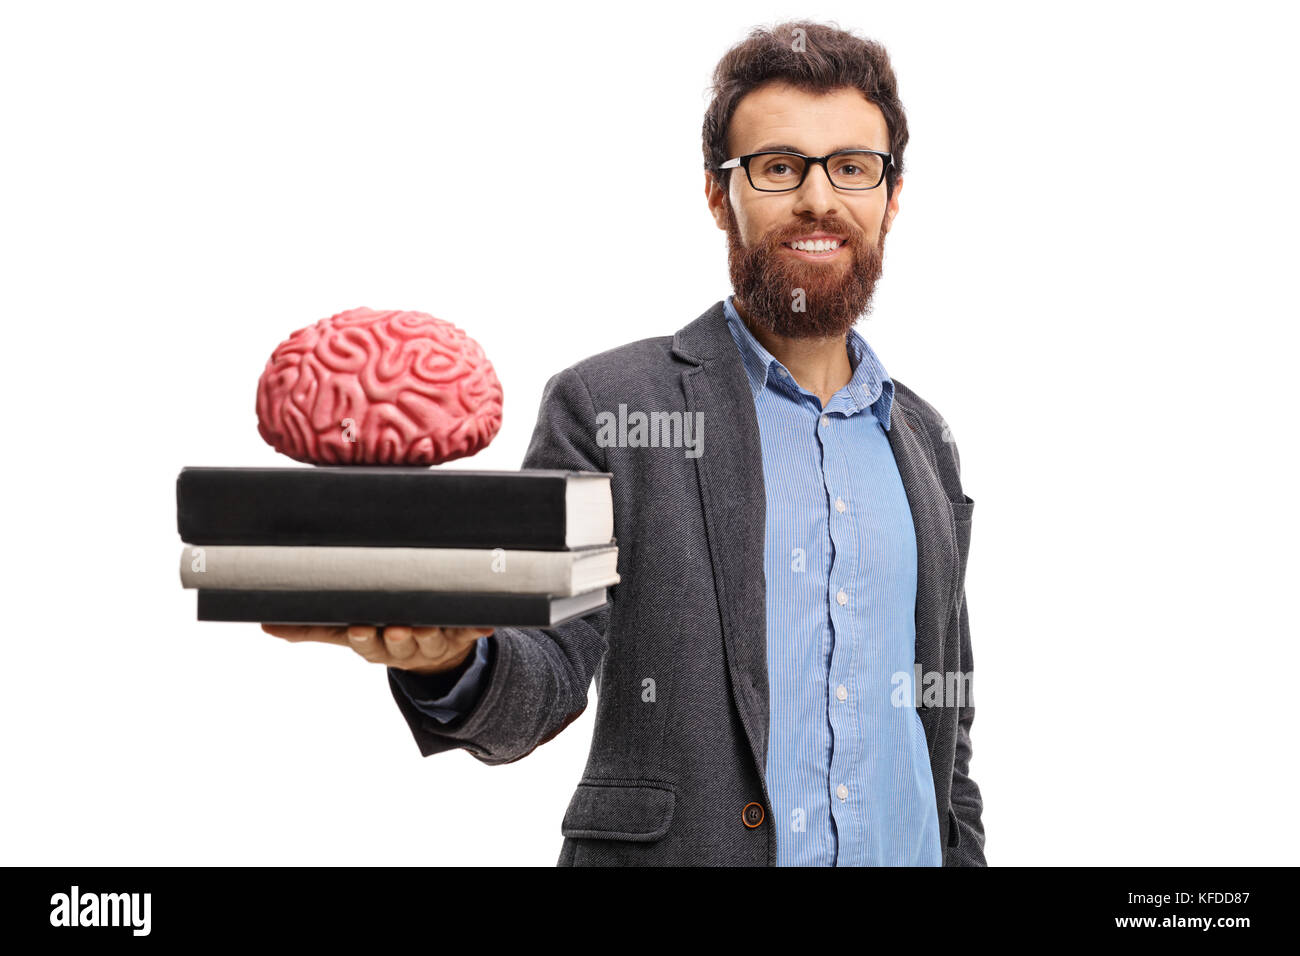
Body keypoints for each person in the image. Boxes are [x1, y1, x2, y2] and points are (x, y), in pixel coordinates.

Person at [264, 19, 986, 867]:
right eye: (779, 166)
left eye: (853, 168)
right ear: (721, 196)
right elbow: (547, 663)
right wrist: (453, 661)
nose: (819, 200)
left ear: (891, 195)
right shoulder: (610, 406)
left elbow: (946, 729)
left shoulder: (925, 439)